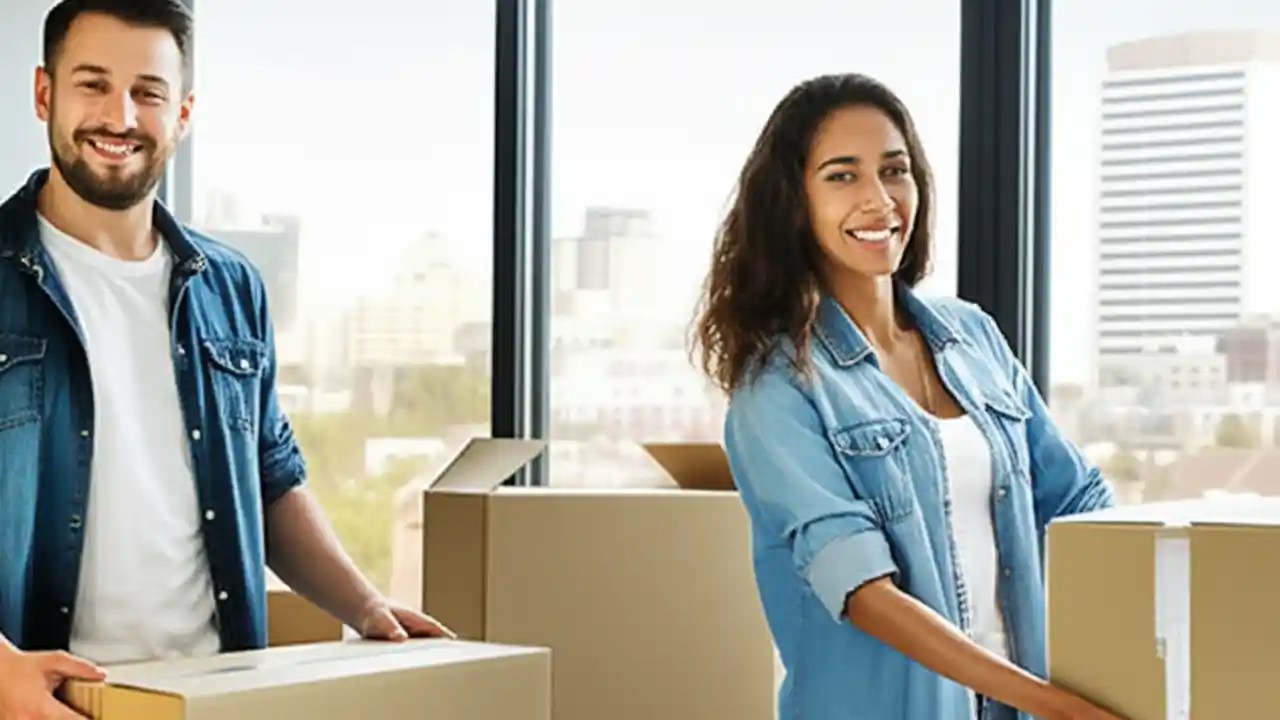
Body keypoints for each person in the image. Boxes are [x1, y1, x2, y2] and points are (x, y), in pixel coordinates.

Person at [0, 1, 453, 717]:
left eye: (148, 92)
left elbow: (269, 479)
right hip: (46, 699)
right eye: (93, 84)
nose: (119, 116)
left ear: (181, 113)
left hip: (210, 695)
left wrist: (365, 606)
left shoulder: (232, 286)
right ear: (43, 94)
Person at [692, 73, 1122, 720]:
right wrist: (1057, 705)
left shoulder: (972, 337)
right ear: (794, 202)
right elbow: (862, 591)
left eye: (894, 170)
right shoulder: (778, 386)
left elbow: (1079, 504)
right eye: (843, 176)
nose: (879, 199)